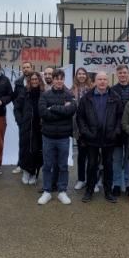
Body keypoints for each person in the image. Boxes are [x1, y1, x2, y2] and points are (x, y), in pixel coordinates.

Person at [76, 72, 123, 203]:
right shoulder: (87, 97)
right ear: (95, 81)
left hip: (109, 137)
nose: (102, 81)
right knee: (91, 165)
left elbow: (120, 116)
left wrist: (116, 131)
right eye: (99, 79)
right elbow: (80, 117)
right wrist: (85, 132)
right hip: (92, 138)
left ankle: (108, 192)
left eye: (105, 79)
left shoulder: (115, 97)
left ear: (108, 81)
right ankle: (89, 191)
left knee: (108, 165)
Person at [38, 69, 77, 205]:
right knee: (47, 165)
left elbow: (71, 111)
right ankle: (47, 191)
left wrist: (53, 108)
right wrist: (62, 110)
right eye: (56, 78)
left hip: (63, 137)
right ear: (53, 80)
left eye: (61, 78)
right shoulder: (45, 95)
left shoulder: (69, 94)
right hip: (48, 137)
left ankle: (62, 191)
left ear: (64, 80)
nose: (59, 81)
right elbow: (43, 113)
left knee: (63, 166)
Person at [15, 72, 45, 185]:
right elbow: (16, 108)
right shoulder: (24, 93)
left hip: (40, 128)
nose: (34, 81)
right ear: (29, 81)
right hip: (26, 127)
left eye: (36, 79)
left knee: (37, 150)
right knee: (25, 149)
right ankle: (26, 171)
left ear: (39, 80)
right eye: (32, 79)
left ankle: (34, 173)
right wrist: (20, 121)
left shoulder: (44, 93)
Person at [110, 64, 129, 197]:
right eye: (120, 73)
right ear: (117, 74)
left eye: (125, 72)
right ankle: (117, 184)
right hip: (117, 130)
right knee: (117, 159)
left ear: (128, 73)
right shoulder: (112, 90)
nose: (122, 75)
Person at [11, 61, 35, 175]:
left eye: (28, 67)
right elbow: (16, 101)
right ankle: (20, 164)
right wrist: (19, 119)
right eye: (24, 67)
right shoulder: (19, 83)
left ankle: (33, 165)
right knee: (23, 143)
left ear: (32, 68)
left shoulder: (37, 80)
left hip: (34, 118)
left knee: (34, 143)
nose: (26, 69)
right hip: (24, 119)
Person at [71, 67, 92, 190]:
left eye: (84, 73)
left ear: (87, 75)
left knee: (93, 156)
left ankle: (91, 180)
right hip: (78, 126)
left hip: (91, 125)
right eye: (79, 74)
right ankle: (81, 179)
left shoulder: (92, 88)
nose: (82, 75)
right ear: (76, 76)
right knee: (81, 154)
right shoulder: (72, 89)